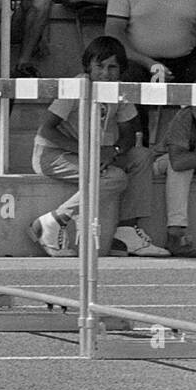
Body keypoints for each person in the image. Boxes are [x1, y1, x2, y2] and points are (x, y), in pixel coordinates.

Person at [30, 34, 170, 257]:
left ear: (121, 69)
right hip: (53, 154)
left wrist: (113, 151)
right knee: (114, 177)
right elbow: (46, 130)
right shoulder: (77, 85)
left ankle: (125, 234)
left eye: (112, 67)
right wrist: (90, 151)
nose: (106, 73)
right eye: (100, 66)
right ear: (88, 67)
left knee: (142, 156)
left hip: (92, 153)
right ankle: (53, 221)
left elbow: (127, 134)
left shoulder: (117, 89)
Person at [151, 81, 196, 256]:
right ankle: (175, 236)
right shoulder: (184, 117)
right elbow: (177, 162)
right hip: (162, 162)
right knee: (181, 167)